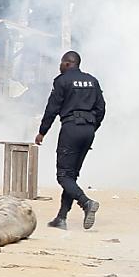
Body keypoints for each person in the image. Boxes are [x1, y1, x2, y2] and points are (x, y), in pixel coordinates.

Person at [34, 51, 106, 231]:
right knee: (71, 176)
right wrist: (92, 127)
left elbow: (52, 108)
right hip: (89, 130)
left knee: (63, 176)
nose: (59, 65)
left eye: (61, 62)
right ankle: (61, 217)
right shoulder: (92, 81)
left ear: (67, 63)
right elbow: (102, 108)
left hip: (71, 128)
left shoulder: (62, 81)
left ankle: (86, 203)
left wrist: (42, 132)